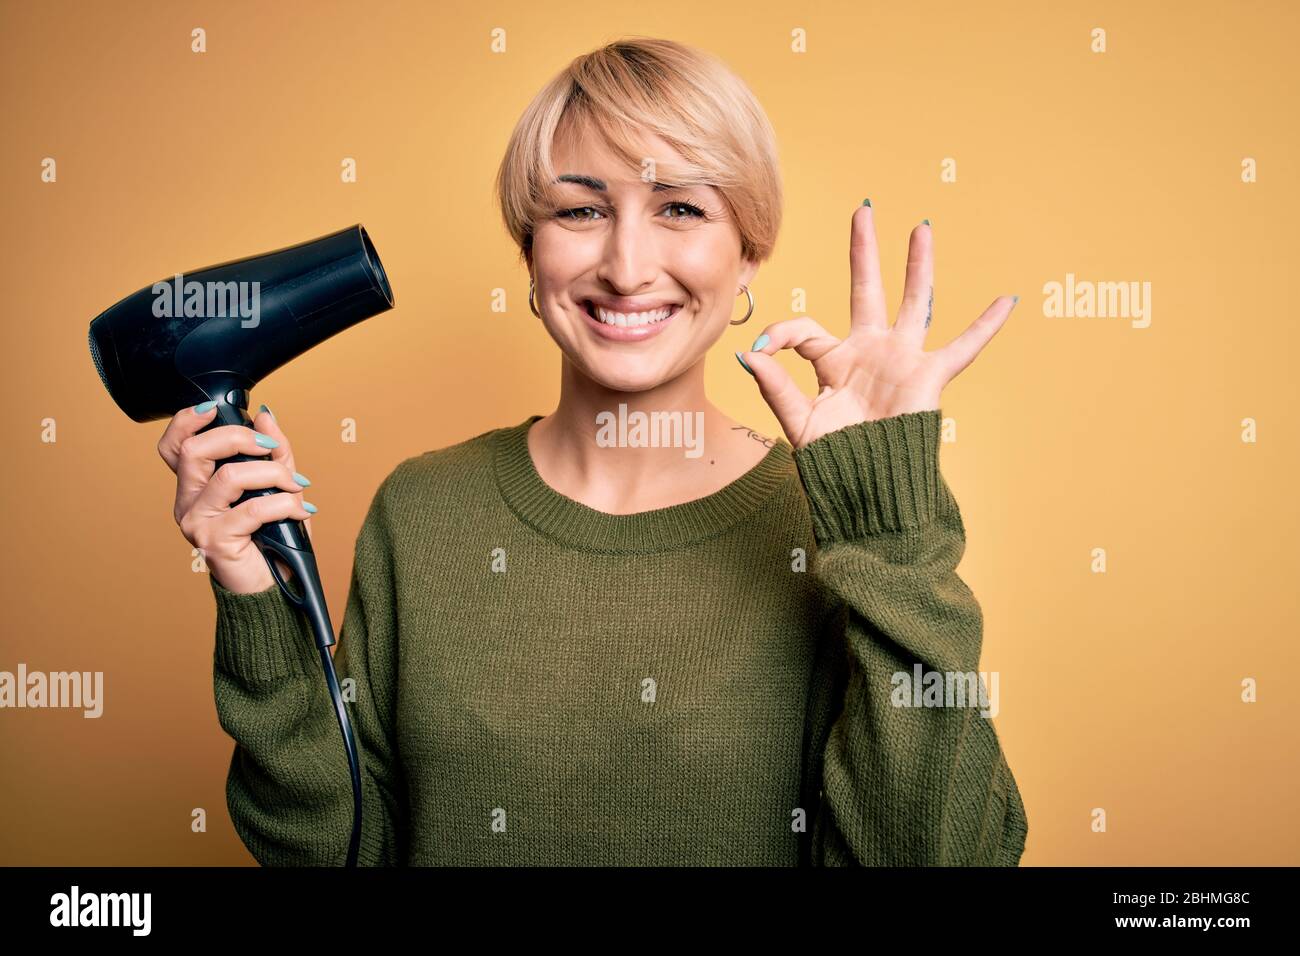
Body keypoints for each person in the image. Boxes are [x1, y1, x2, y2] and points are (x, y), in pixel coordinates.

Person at [155, 36, 1027, 866]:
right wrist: (256, 601)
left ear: (749, 255)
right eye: (581, 210)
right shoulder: (422, 513)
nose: (626, 265)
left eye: (680, 208)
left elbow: (937, 855)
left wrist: (887, 527)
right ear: (530, 253)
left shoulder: (831, 528)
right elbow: (337, 853)